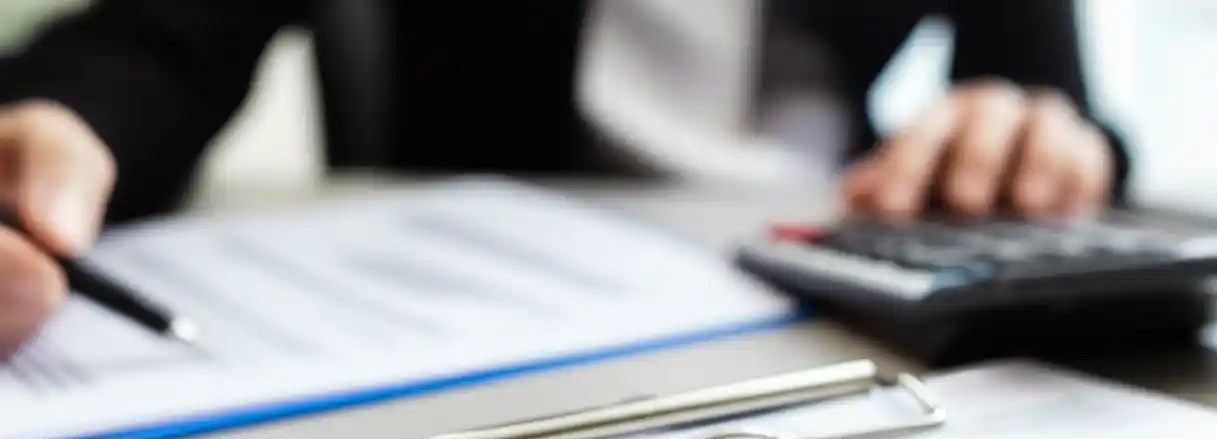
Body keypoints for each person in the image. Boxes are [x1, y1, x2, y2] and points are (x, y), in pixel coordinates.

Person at [0, 1, 1126, 356]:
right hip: (472, 310)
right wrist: (59, 124)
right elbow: (161, 34)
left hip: (832, 271)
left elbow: (1055, 104)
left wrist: (1039, 141)